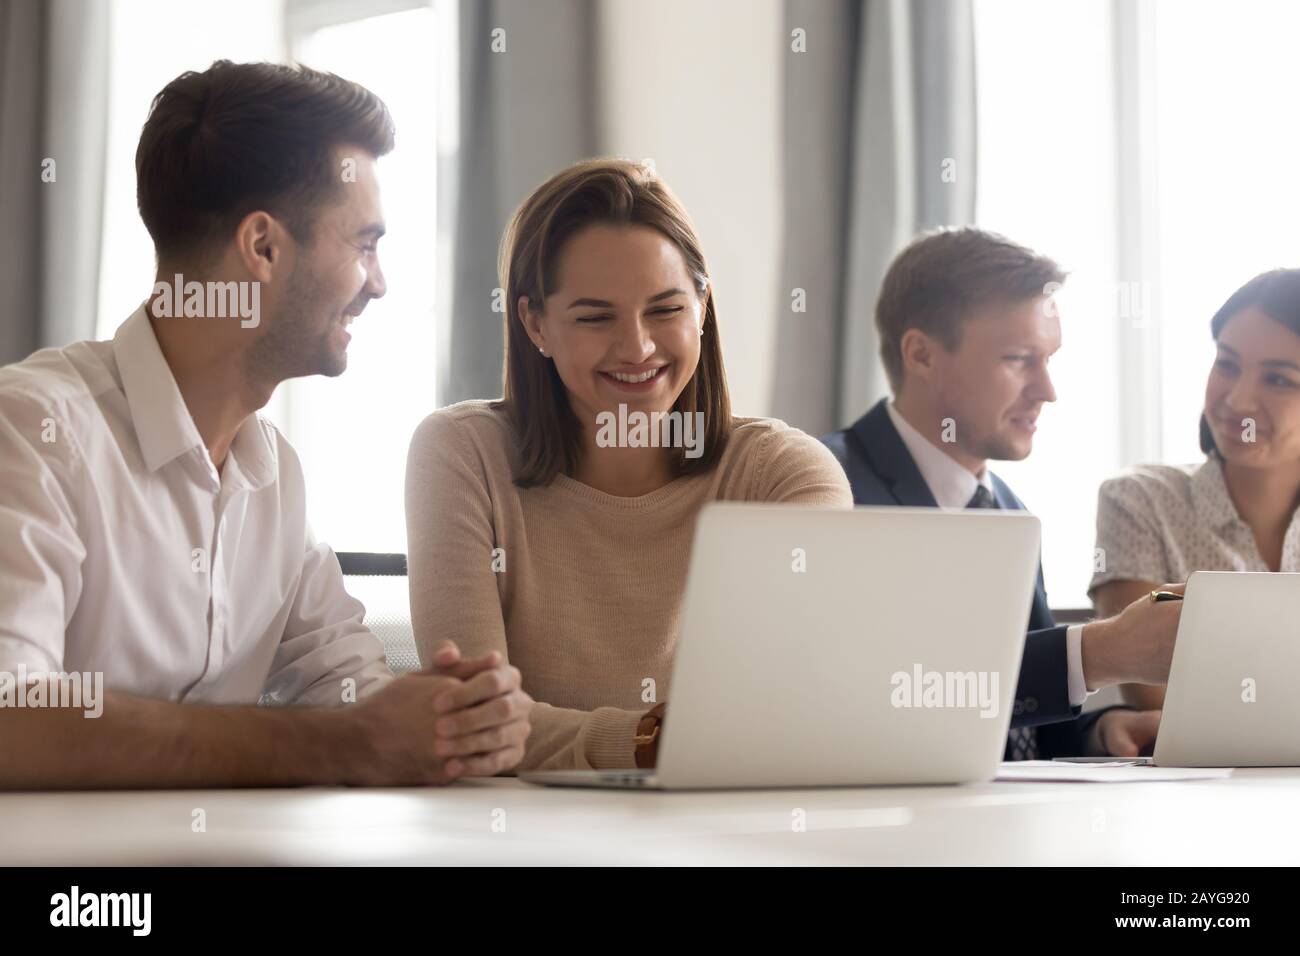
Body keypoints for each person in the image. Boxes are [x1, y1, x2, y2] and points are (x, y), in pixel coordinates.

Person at [0, 60, 530, 789]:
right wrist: (340, 745)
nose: (379, 283)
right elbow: (11, 716)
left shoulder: (275, 472)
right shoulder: (32, 430)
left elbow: (352, 691)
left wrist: (454, 717)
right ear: (264, 247)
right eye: (365, 245)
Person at [405, 158, 852, 772]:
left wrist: (651, 741)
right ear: (535, 323)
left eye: (666, 310)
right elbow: (476, 720)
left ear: (703, 306)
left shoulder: (784, 473)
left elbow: (798, 708)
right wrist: (645, 742)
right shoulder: (462, 455)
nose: (637, 347)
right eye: (594, 318)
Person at [822, 228, 1179, 759]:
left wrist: (1101, 731)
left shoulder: (1009, 510)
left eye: (1048, 359)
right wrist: (1097, 652)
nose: (1047, 391)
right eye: (1018, 359)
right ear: (920, 354)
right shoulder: (824, 487)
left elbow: (1019, 725)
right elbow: (882, 697)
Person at [1092, 268, 1300, 710]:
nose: (1238, 401)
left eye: (1278, 379)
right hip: (1196, 780)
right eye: (1227, 363)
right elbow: (1158, 709)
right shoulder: (1141, 502)